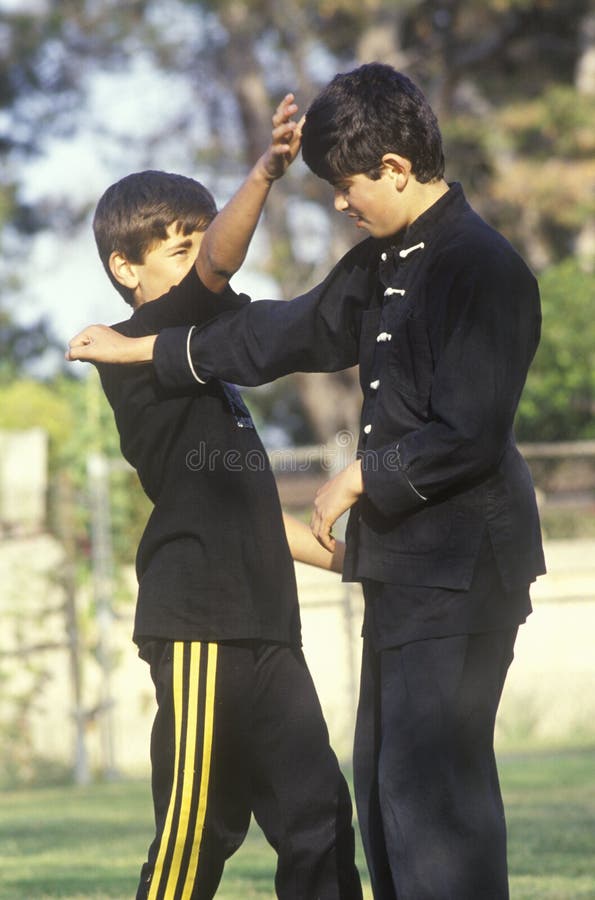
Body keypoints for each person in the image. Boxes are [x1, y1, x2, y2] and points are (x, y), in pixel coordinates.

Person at [68, 64, 546, 899]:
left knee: (383, 807)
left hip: (408, 586)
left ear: (393, 168)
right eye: (330, 186)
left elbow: (460, 432)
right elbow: (272, 326)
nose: (338, 203)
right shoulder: (370, 267)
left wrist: (357, 494)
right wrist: (146, 346)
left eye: (345, 185)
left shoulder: (479, 266)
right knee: (335, 804)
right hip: (303, 601)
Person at [68, 96, 363, 900]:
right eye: (181, 248)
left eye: (204, 239)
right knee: (197, 833)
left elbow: (252, 517)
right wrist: (264, 174)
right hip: (200, 628)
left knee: (317, 817)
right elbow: (216, 273)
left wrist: (358, 559)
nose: (202, 260)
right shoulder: (133, 349)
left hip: (267, 629)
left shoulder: (209, 371)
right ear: (126, 270)